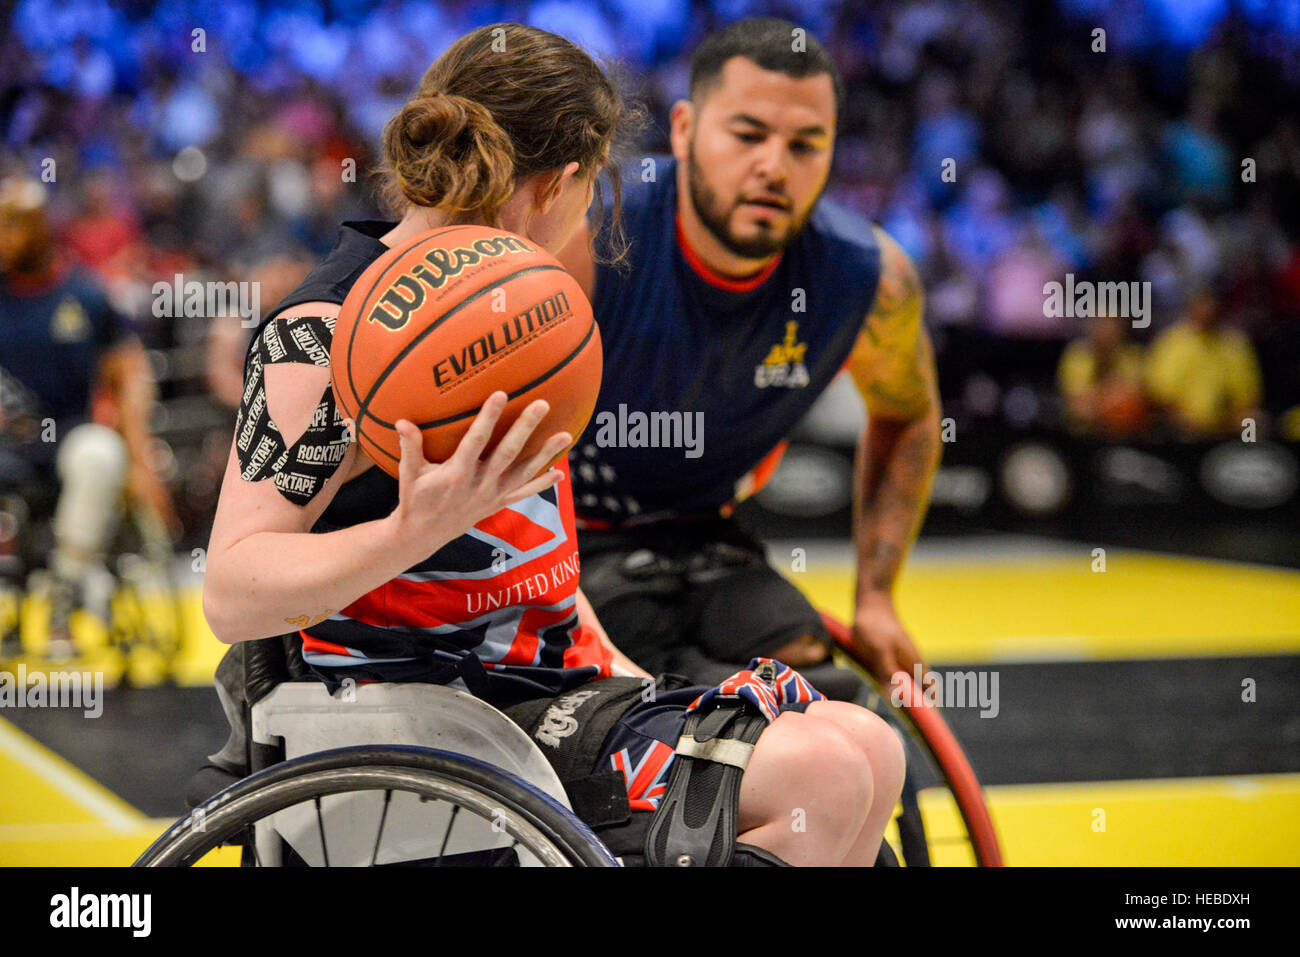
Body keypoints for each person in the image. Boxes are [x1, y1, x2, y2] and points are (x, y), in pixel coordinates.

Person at [201, 23, 904, 867]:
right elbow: (233, 591)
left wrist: (626, 672)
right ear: (566, 181)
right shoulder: (328, 330)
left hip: (554, 698)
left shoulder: (524, 308)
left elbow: (546, 565)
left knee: (868, 745)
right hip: (429, 723)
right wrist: (406, 533)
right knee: (820, 774)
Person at [555, 18, 942, 689]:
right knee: (669, 698)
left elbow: (909, 415)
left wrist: (876, 597)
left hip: (709, 538)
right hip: (565, 539)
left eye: (805, 144)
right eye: (748, 135)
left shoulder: (870, 278)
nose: (773, 165)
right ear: (683, 131)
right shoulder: (587, 234)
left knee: (829, 685)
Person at [0, 175, 177, 659]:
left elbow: (131, 373)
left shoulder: (86, 295)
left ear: (39, 231)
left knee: (100, 455)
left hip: (68, 438)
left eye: (11, 226)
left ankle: (66, 589)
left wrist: (142, 462)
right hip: (6, 444)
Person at [1145, 284, 1263, 438]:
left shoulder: (1235, 344)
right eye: (1201, 305)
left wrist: (1227, 418)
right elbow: (1157, 394)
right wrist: (1187, 419)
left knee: (1254, 423)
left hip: (1226, 423)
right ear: (1191, 308)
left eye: (1210, 305)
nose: (1206, 311)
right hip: (1178, 424)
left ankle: (1243, 459)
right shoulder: (1171, 342)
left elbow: (1248, 396)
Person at [1057, 313, 1149, 438]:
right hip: (1081, 436)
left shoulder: (1132, 356)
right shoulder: (1077, 355)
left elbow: (1133, 401)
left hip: (1126, 435)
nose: (1105, 328)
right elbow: (1077, 404)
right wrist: (1109, 394)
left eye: (1111, 323)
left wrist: (1101, 399)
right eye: (1099, 322)